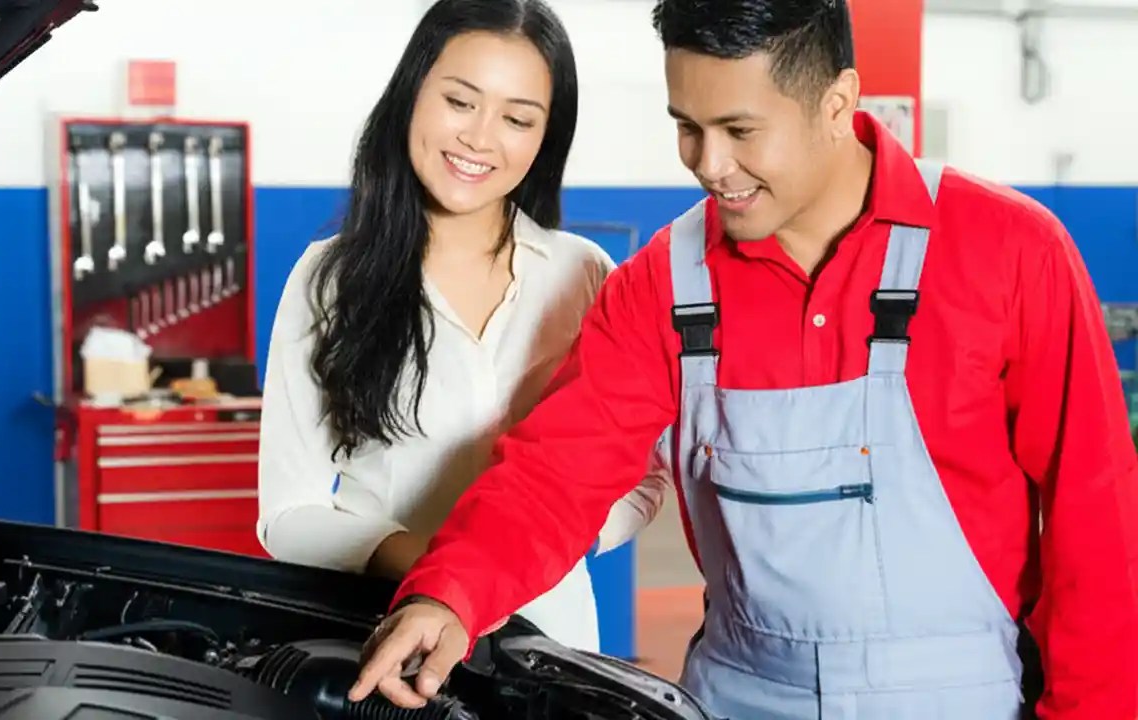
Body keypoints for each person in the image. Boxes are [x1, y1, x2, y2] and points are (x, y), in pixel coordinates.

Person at [348, 1, 1138, 718]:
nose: (708, 163)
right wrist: (448, 595)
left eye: (739, 130)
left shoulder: (1010, 251)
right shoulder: (662, 283)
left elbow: (1097, 520)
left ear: (837, 103)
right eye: (687, 126)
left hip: (963, 696)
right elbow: (555, 474)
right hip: (737, 694)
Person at [255, 0, 671, 654]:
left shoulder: (585, 274)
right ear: (412, 94)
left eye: (517, 119)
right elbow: (286, 515)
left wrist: (541, 545)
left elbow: (643, 475)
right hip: (385, 635)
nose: (480, 137)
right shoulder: (329, 279)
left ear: (545, 137)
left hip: (549, 641)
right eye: (460, 101)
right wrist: (445, 571)